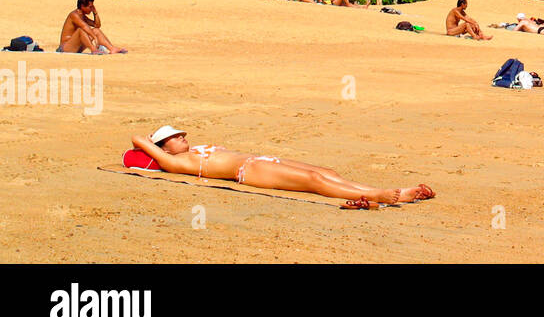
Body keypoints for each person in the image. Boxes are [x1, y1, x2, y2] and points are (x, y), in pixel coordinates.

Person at [130, 127, 434, 209]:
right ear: (163, 147)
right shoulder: (176, 162)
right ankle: (378, 194)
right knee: (315, 180)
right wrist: (151, 145)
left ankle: (392, 193)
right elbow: (136, 140)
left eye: (181, 135)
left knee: (325, 171)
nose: (183, 138)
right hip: (249, 172)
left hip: (260, 161)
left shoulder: (192, 151)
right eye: (175, 138)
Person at [59, 0, 126, 53]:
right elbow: (84, 27)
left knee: (96, 30)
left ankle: (112, 48)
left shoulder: (82, 16)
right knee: (81, 30)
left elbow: (97, 25)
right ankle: (93, 49)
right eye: (90, 7)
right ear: (82, 6)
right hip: (66, 47)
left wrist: (95, 12)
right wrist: (95, 38)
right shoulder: (74, 15)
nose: (91, 9)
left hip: (77, 46)